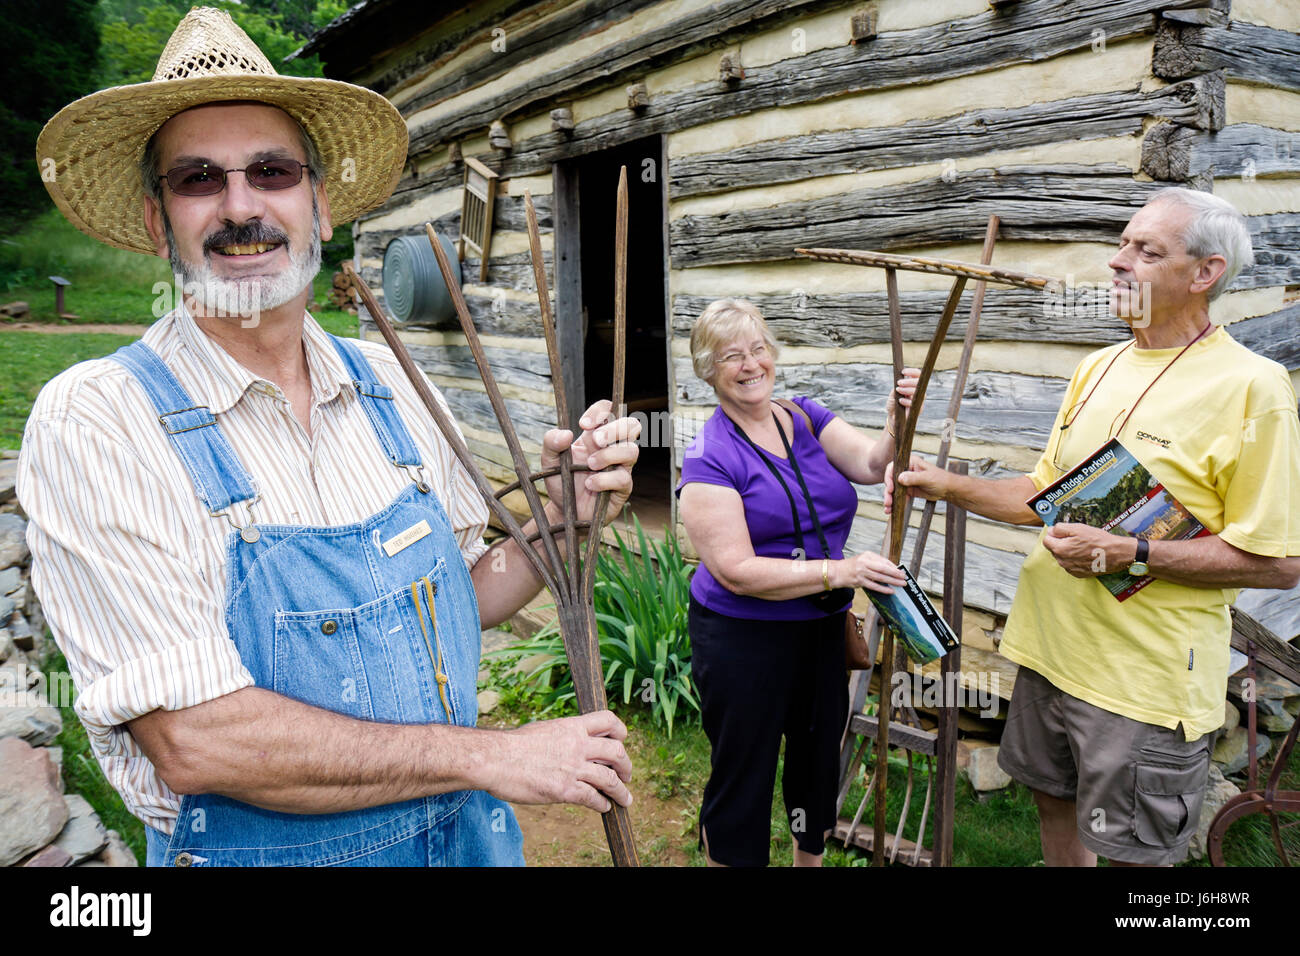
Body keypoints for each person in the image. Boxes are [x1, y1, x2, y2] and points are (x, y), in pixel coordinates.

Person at [20, 7, 642, 867]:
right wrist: (494, 756)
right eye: (199, 179)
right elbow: (198, 741)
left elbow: (461, 595)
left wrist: (567, 516)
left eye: (271, 171)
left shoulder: (392, 381)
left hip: (461, 844)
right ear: (161, 221)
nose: (241, 206)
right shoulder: (99, 418)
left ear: (318, 203)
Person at [889, 187, 1300, 866]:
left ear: (1205, 273)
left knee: (1137, 856)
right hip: (1050, 657)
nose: (1119, 262)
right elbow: (1043, 496)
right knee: (1057, 817)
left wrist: (1129, 551)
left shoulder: (1252, 388)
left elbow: (1279, 562)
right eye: (1122, 243)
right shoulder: (1098, 366)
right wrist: (947, 484)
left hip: (1142, 682)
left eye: (1146, 251)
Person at [676, 297, 918, 866]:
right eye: (731, 355)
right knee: (745, 776)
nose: (750, 363)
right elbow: (735, 571)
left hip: (820, 631)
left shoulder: (804, 415)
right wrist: (842, 570)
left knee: (815, 766)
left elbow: (869, 463)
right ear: (709, 371)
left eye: (758, 349)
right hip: (743, 638)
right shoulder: (708, 456)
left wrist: (894, 423)